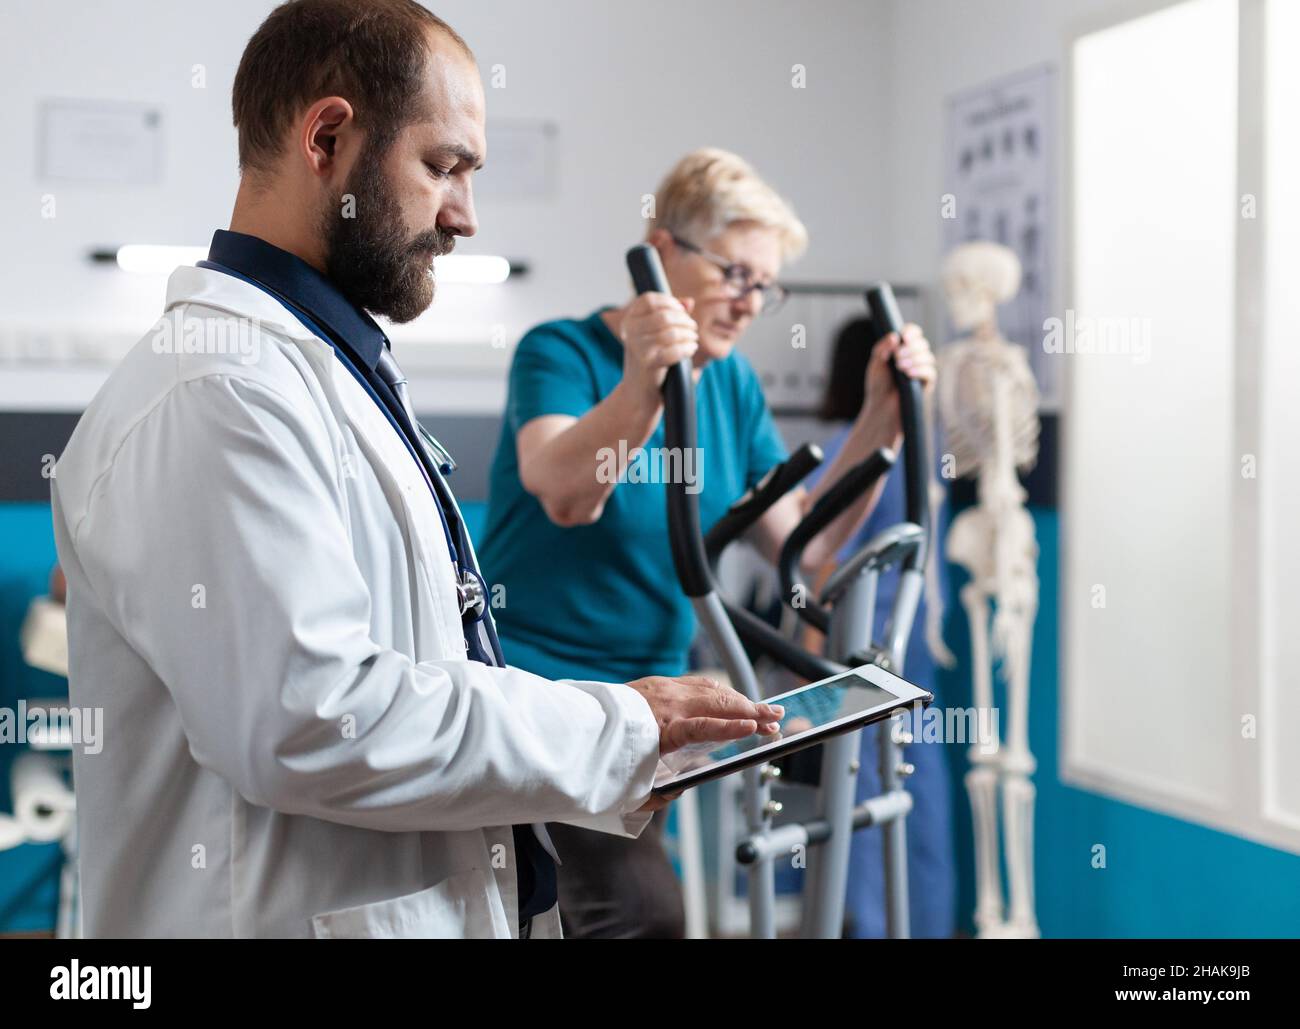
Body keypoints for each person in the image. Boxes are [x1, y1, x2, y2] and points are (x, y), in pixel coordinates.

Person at [49, 0, 782, 940]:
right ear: (327, 138)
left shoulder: (327, 371)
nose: (466, 215)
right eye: (444, 167)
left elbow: (418, 677)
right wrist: (622, 723)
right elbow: (315, 719)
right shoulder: (217, 390)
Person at [478, 148, 937, 937]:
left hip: (656, 718)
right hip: (542, 704)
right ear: (661, 255)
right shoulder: (559, 352)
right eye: (735, 274)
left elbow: (807, 552)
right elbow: (562, 491)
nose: (751, 301)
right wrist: (643, 386)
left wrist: (878, 422)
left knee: (631, 911)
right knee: (641, 912)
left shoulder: (730, 383)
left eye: (766, 284)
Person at [808, 316, 957, 938]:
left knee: (866, 792)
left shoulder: (857, 452)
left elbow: (822, 559)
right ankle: (928, 923)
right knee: (920, 790)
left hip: (862, 655)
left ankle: (874, 927)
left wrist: (808, 671)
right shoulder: (924, 454)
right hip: (914, 642)